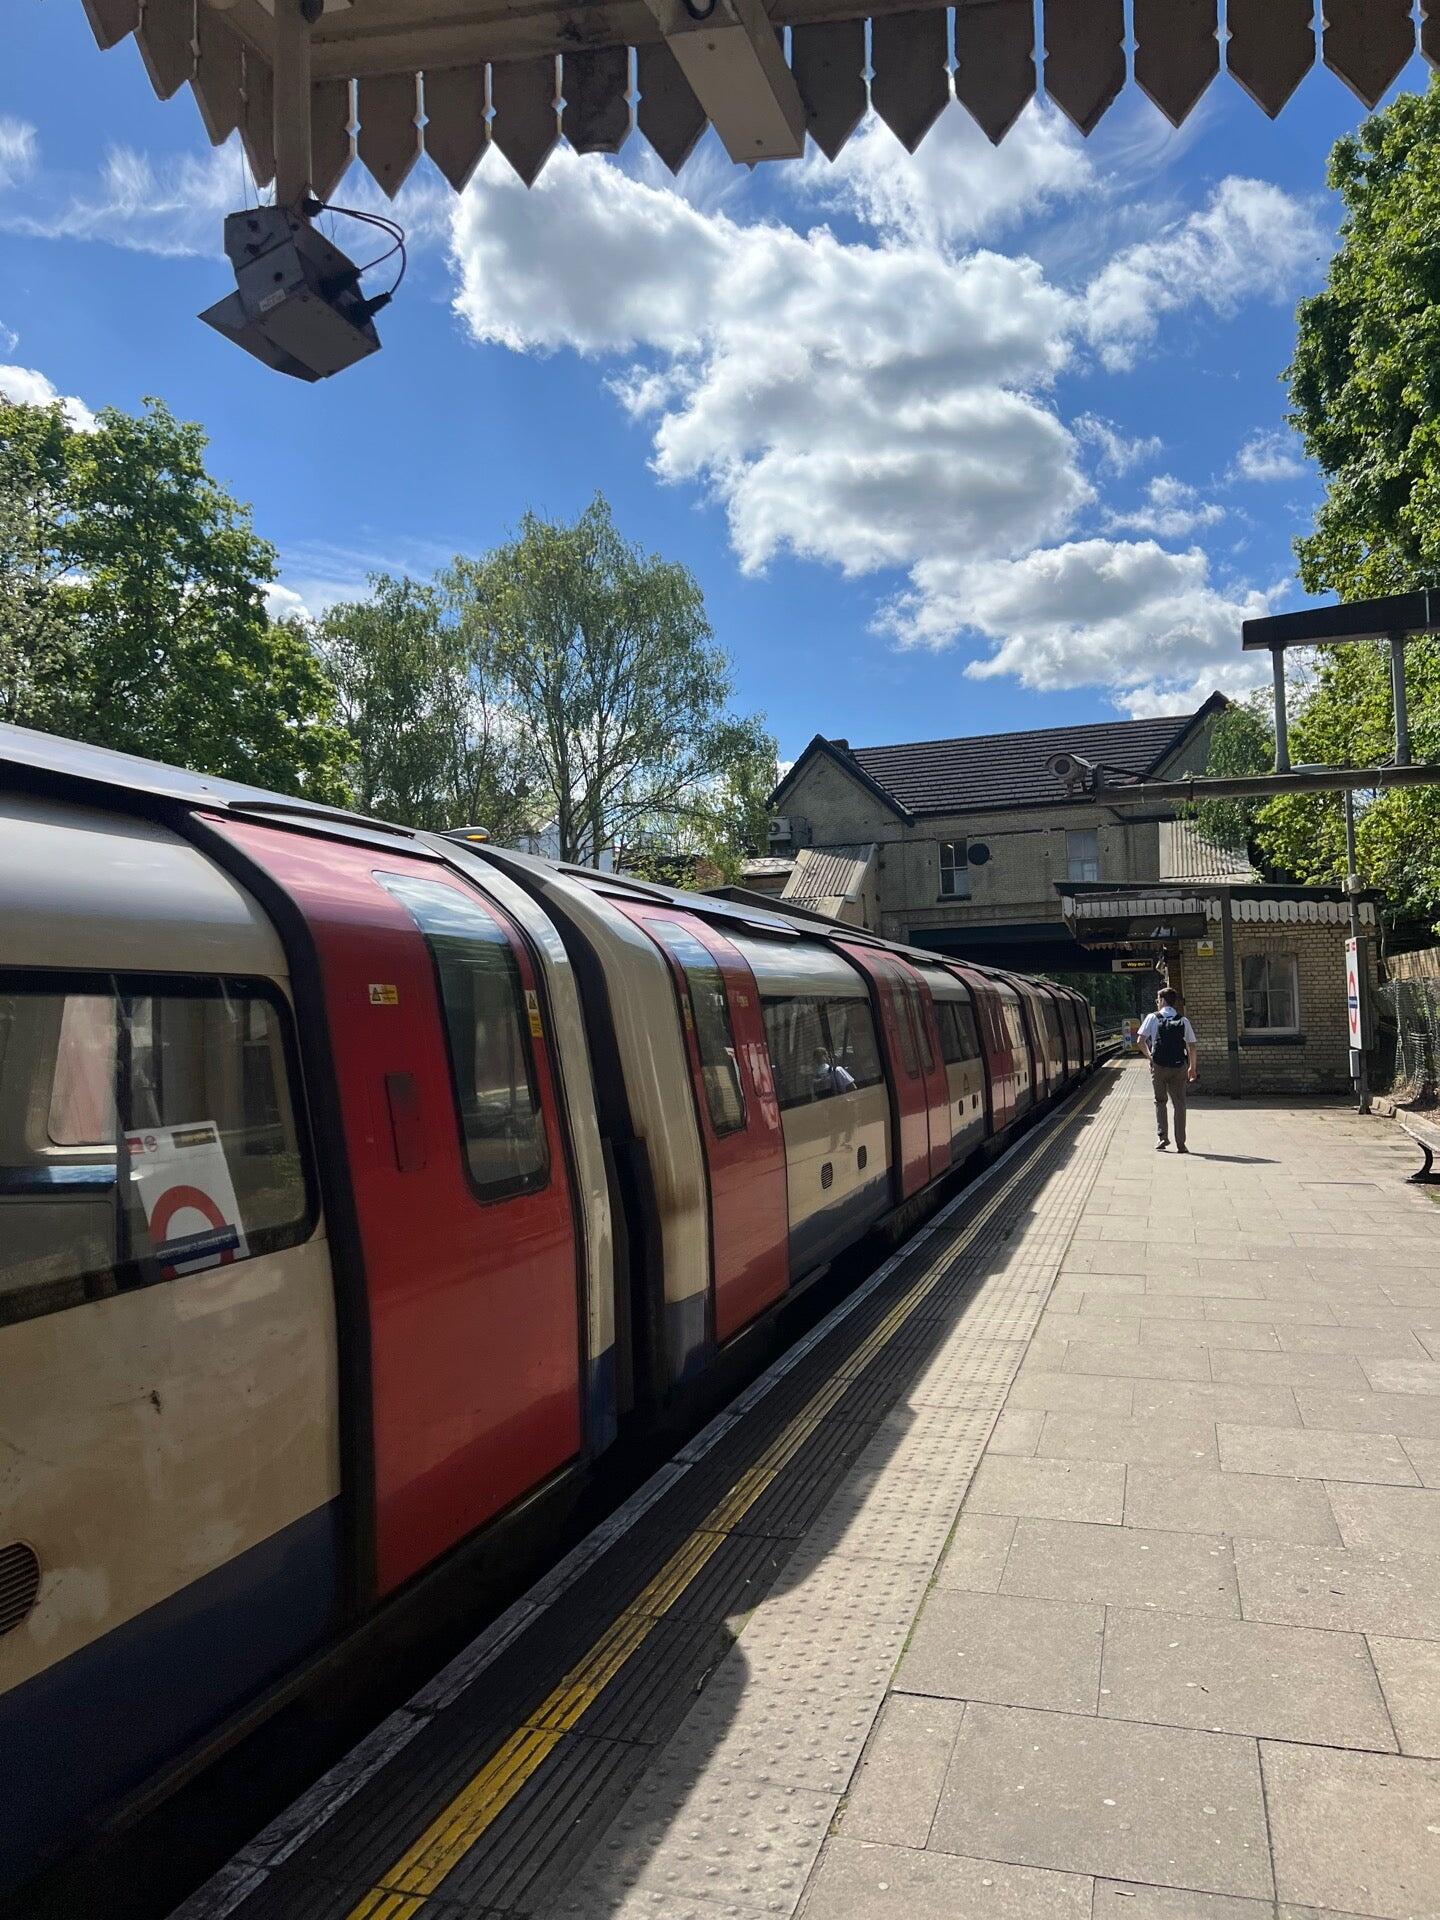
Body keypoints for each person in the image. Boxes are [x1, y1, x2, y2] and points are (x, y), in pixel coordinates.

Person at [1137, 986, 1198, 1153]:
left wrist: (1151, 1058)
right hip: (1179, 1067)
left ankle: (1162, 1137)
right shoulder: (1183, 1020)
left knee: (1160, 1102)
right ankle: (1181, 1144)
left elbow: (1140, 1041)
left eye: (1158, 1000)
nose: (1157, 1003)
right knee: (1180, 1104)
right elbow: (1192, 1045)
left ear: (1163, 1000)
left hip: (1159, 1066)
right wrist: (1192, 1068)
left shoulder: (1152, 1018)